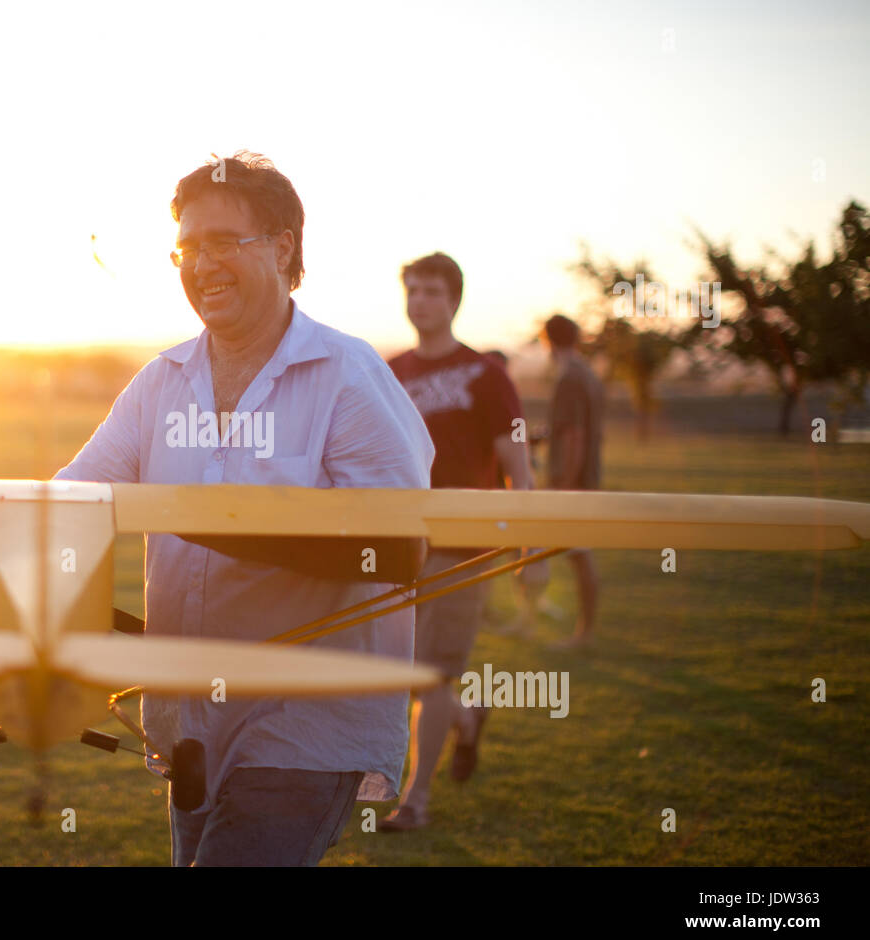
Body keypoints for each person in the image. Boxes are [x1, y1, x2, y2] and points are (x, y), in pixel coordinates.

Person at [52, 152, 434, 865]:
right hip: (187, 719)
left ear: (283, 247)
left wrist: (220, 522)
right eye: (189, 248)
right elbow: (78, 496)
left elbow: (397, 550)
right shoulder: (158, 383)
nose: (203, 265)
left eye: (224, 242)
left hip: (306, 717)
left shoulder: (350, 377)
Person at [380, 252, 541, 830]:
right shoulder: (389, 372)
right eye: (413, 290)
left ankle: (414, 801)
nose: (419, 300)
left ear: (454, 300)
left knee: (433, 672)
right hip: (398, 546)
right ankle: (467, 717)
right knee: (404, 668)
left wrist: (526, 545)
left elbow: (517, 468)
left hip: (463, 546)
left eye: (431, 291)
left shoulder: (485, 375)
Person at [542, 314, 603, 650]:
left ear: (547, 340)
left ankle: (583, 634)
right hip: (586, 478)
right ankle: (582, 630)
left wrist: (564, 487)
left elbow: (576, 436)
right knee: (579, 556)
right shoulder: (588, 374)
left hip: (574, 484)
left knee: (580, 557)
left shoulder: (568, 378)